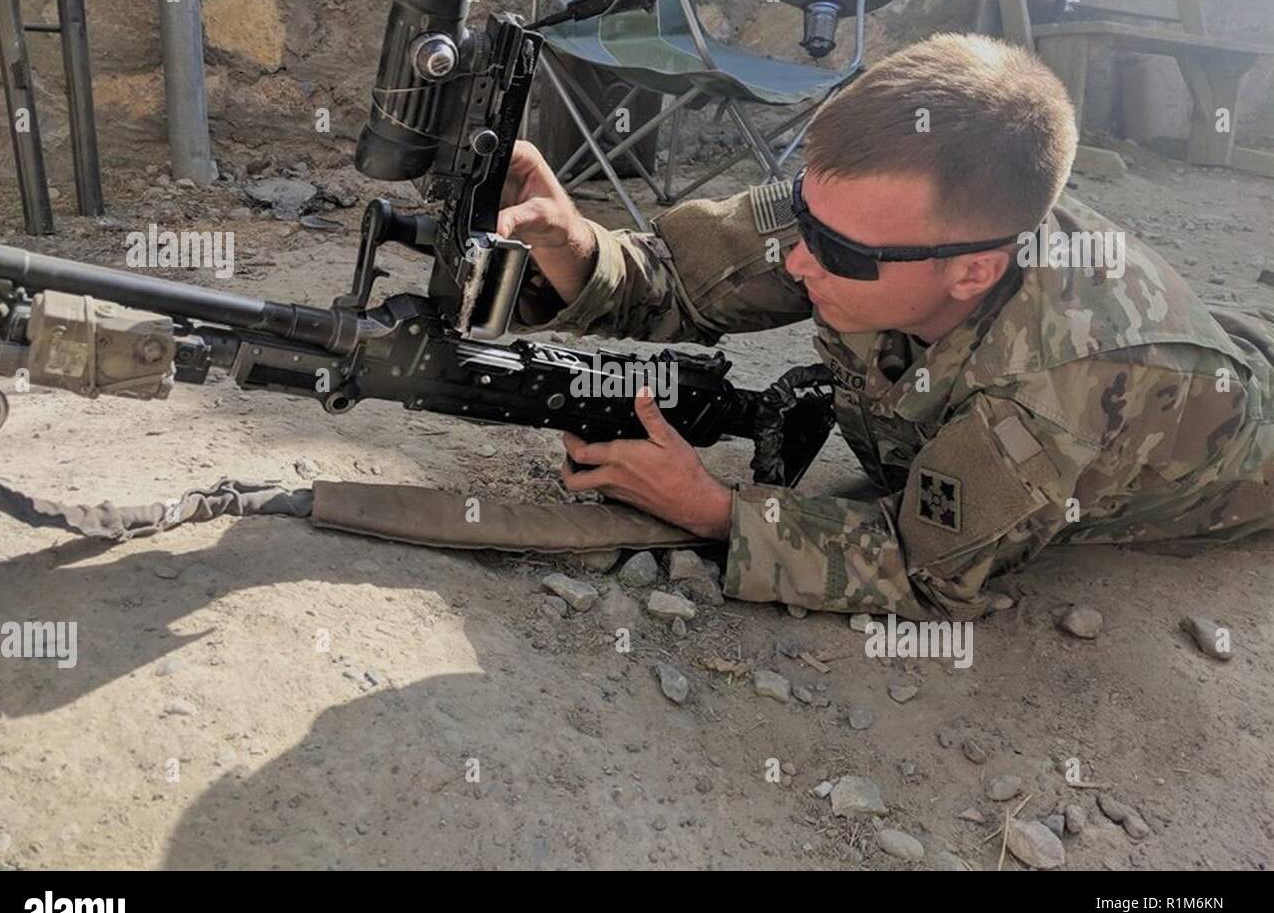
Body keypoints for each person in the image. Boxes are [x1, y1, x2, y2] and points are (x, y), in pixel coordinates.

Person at [497, 33, 1274, 621]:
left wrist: (713, 511)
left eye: (834, 250)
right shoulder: (864, 217)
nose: (797, 260)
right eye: (803, 212)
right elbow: (678, 276)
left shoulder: (1056, 386)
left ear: (971, 270)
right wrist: (577, 246)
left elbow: (925, 569)